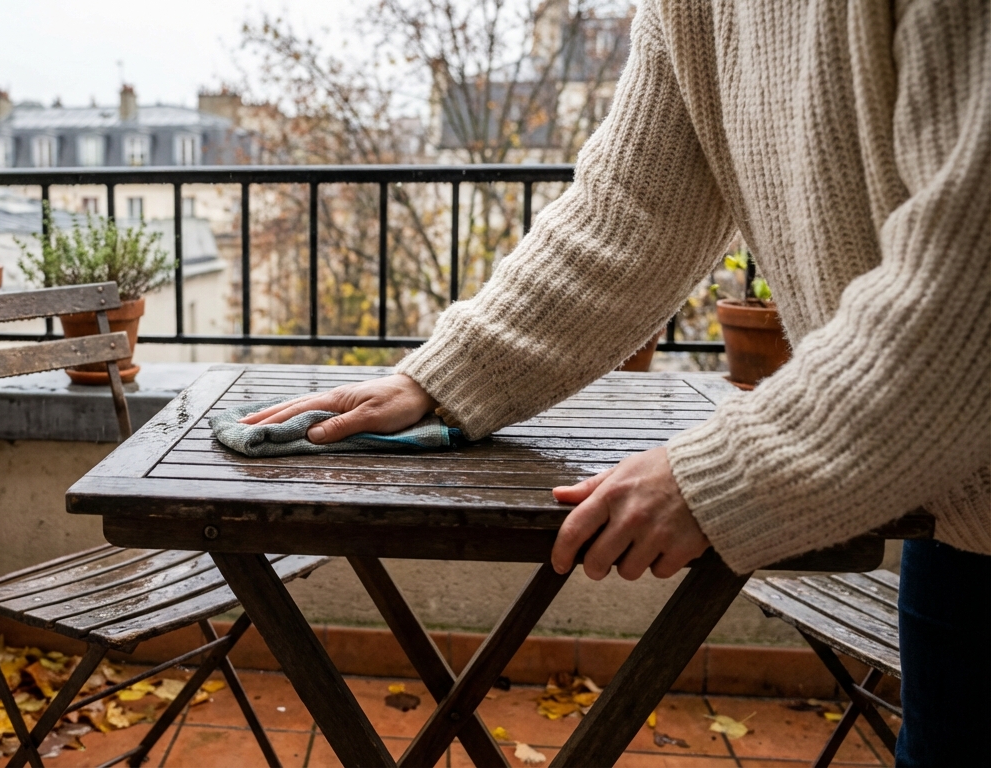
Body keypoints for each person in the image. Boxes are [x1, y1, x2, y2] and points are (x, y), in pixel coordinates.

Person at [242, 2, 990, 764]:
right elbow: (629, 215)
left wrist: (722, 475)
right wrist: (439, 379)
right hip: (964, 522)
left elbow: (972, 302)